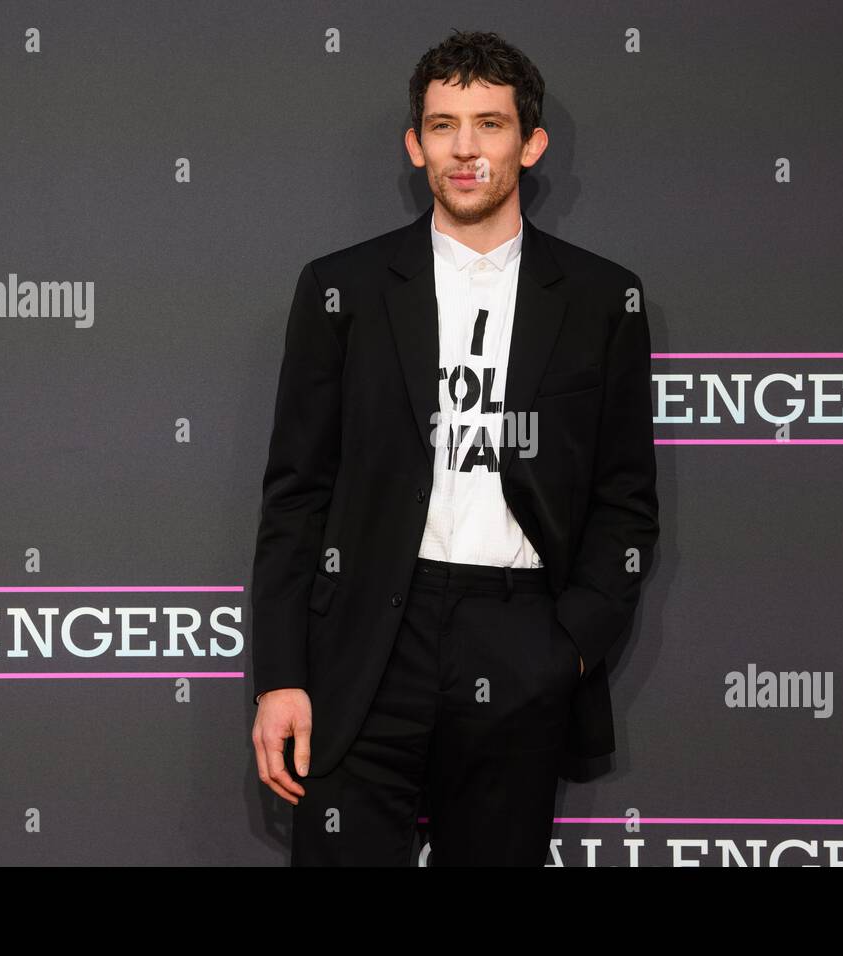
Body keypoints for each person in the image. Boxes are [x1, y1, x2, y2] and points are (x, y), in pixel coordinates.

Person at [249, 29, 659, 866]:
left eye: (489, 124)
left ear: (531, 143)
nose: (464, 149)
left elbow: (626, 498)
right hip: (365, 638)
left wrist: (568, 646)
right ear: (415, 144)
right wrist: (282, 675)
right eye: (443, 125)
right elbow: (296, 493)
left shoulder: (598, 297)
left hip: (519, 635)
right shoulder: (344, 290)